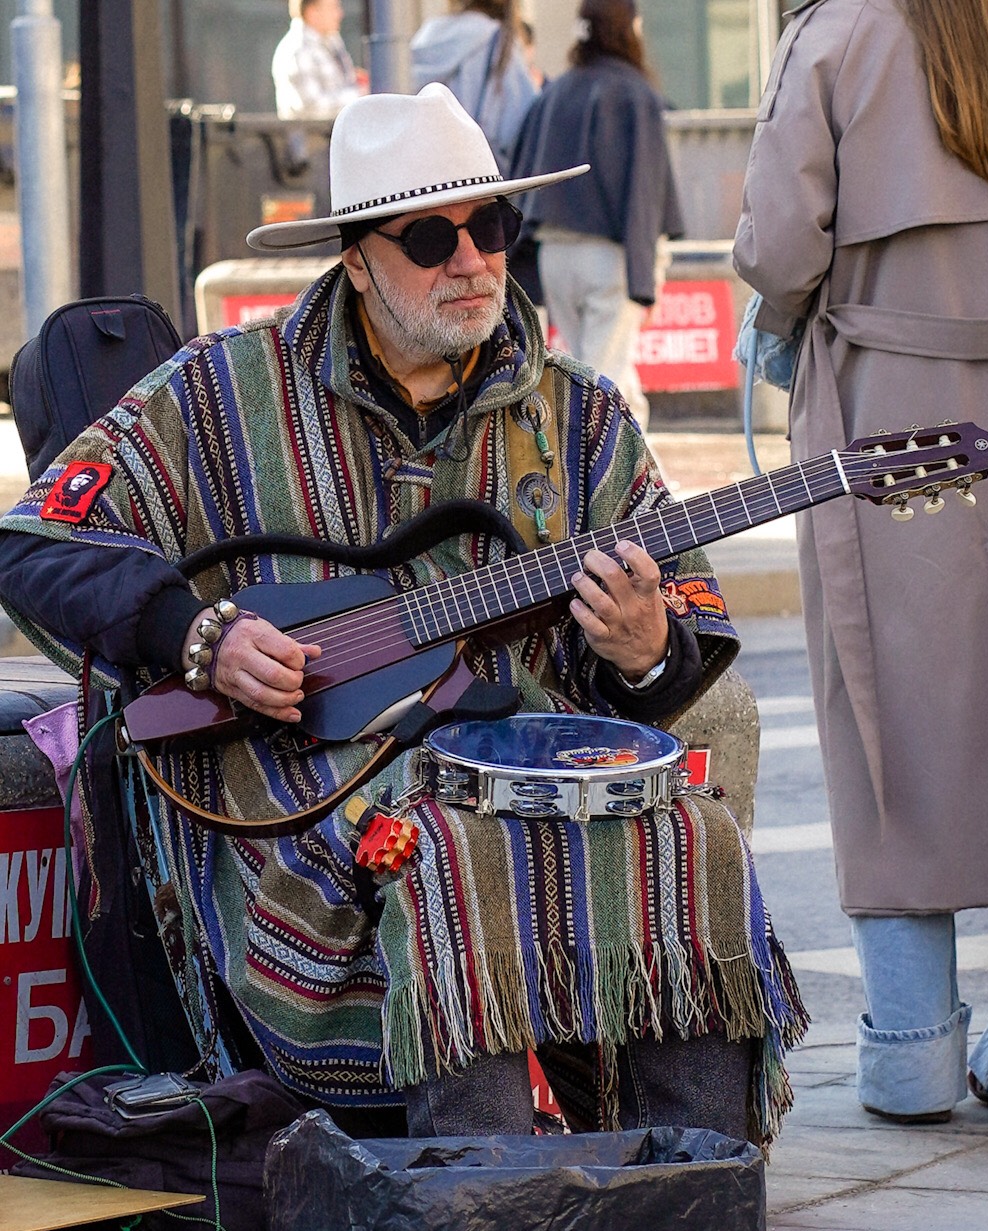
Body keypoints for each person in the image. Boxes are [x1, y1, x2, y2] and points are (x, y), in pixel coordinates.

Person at [0, 83, 806, 1146]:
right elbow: (41, 537)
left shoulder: (581, 416)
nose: (472, 260)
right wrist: (198, 638)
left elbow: (681, 623)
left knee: (690, 842)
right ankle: (483, 1195)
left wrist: (645, 650)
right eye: (432, 236)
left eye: (492, 226)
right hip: (304, 786)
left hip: (531, 765)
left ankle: (691, 1187)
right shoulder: (219, 395)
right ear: (355, 258)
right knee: (448, 861)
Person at [733, 0, 988, 1124]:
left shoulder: (835, 36)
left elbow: (775, 245)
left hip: (887, 418)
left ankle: (910, 1056)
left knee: (889, 724)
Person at [509, 0, 682, 433]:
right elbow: (644, 194)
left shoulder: (554, 91)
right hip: (611, 258)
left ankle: (641, 485)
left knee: (607, 376)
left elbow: (523, 175)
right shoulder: (635, 93)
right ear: (629, 29)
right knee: (602, 390)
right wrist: (647, 277)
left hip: (554, 254)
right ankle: (609, 494)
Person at [411, 1, 537, 172]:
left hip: (427, 174)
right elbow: (521, 125)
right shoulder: (499, 41)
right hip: (476, 177)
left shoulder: (425, 37)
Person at [272, 0, 362, 122]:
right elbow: (311, 108)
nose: (340, 14)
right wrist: (361, 97)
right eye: (333, 8)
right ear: (312, 12)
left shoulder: (332, 41)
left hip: (336, 135)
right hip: (314, 139)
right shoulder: (298, 48)